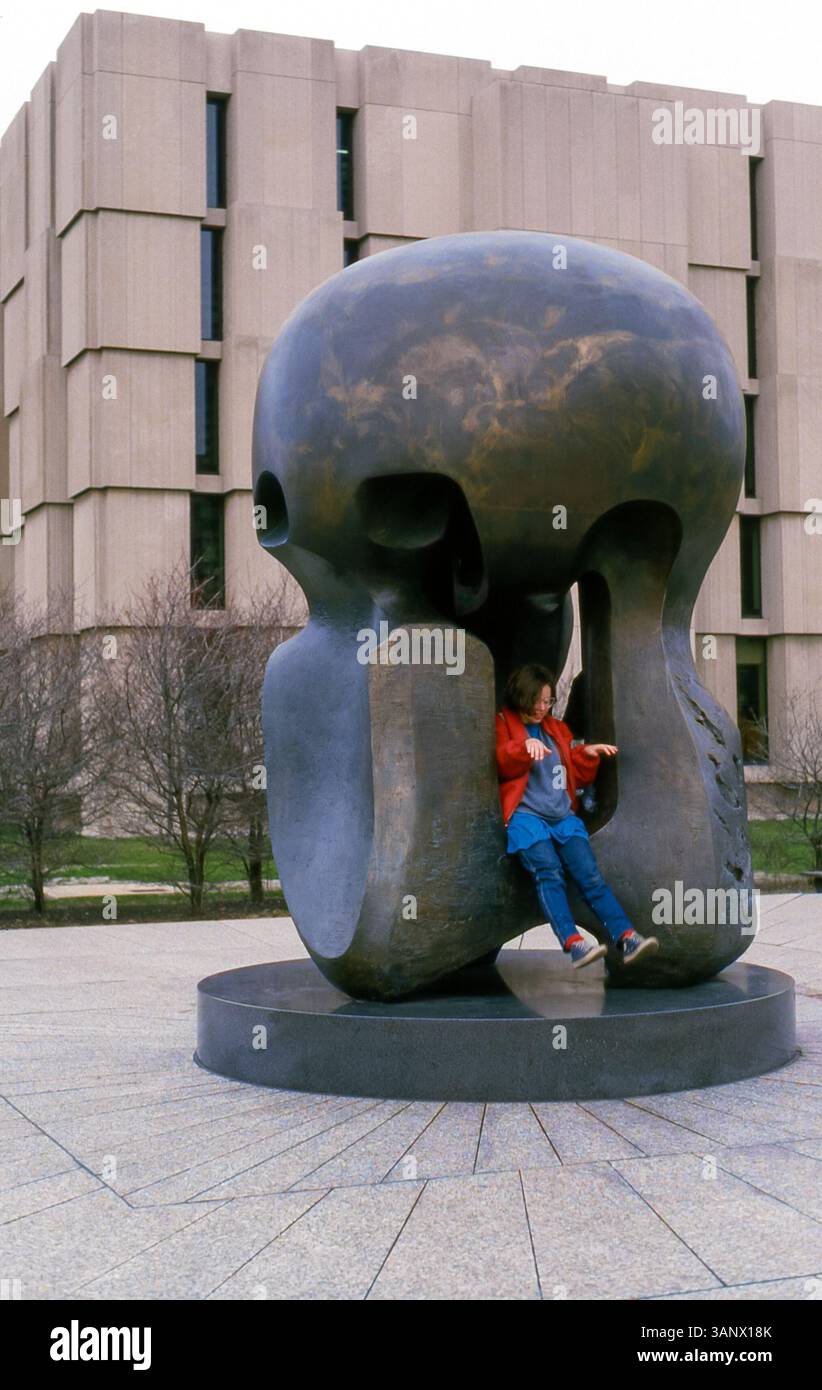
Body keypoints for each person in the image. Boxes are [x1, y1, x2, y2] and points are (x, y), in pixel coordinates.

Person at [496, 662, 659, 970]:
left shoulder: (556, 730)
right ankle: (574, 945)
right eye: (537, 700)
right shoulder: (503, 724)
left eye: (548, 701)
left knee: (590, 877)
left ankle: (626, 938)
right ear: (522, 696)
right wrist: (522, 747)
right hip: (527, 818)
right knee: (549, 872)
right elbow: (502, 762)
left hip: (561, 817)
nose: (543, 707)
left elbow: (572, 772)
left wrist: (587, 754)